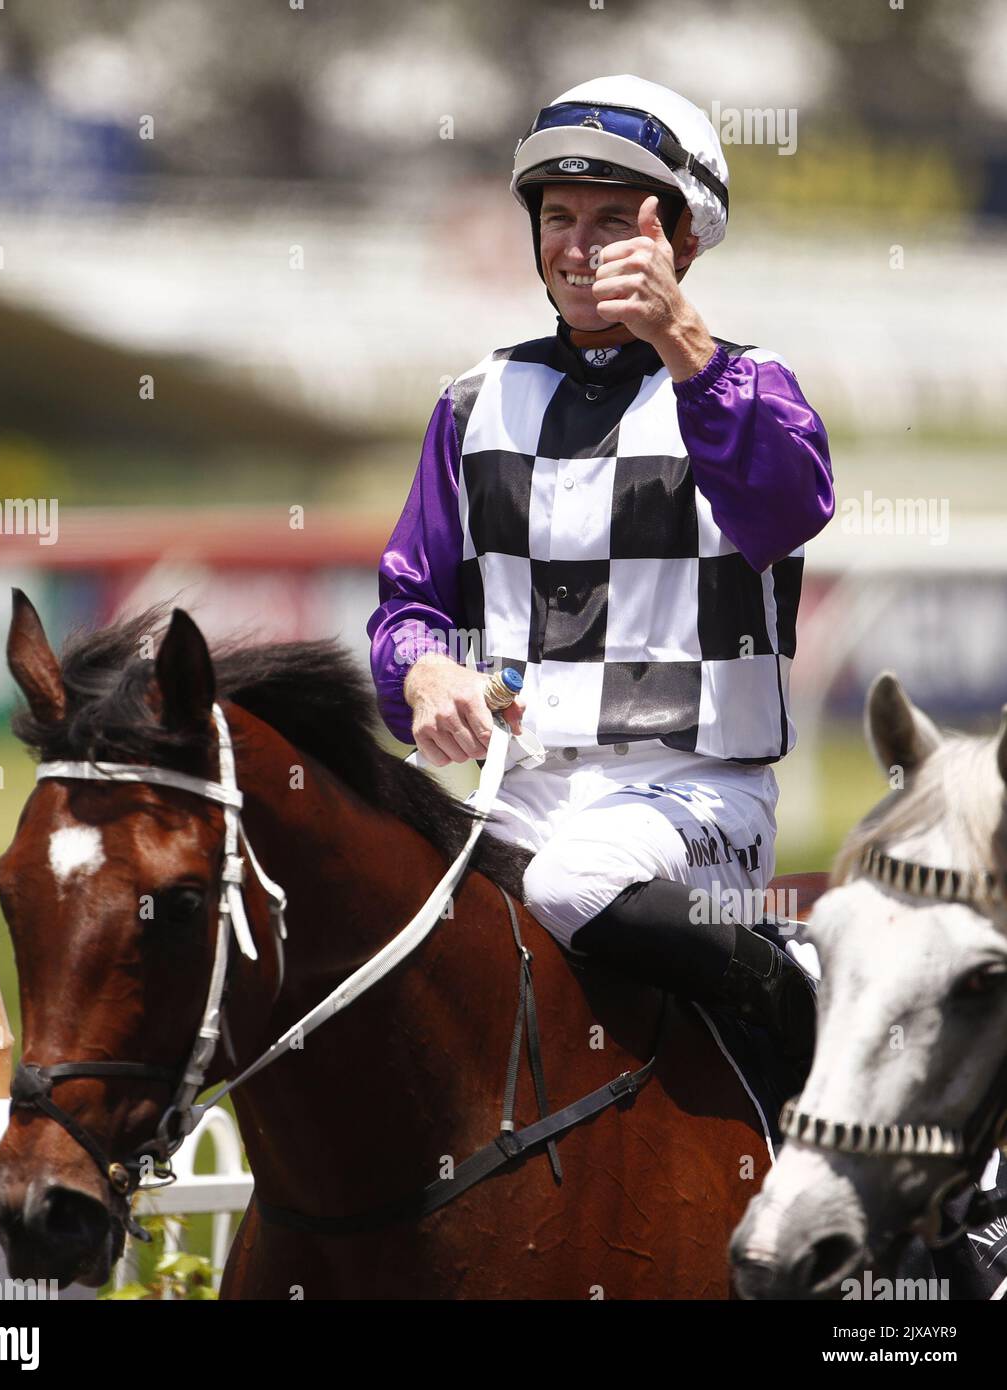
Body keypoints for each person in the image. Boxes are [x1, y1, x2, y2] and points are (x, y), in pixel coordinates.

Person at [366, 74, 834, 1067]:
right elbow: (410, 603)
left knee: (572, 883)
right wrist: (423, 670)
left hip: (697, 797)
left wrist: (680, 338)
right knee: (347, 874)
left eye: (613, 221)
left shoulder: (750, 383)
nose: (577, 247)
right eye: (558, 217)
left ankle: (802, 1001)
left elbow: (788, 507)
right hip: (515, 786)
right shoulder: (473, 399)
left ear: (684, 239)